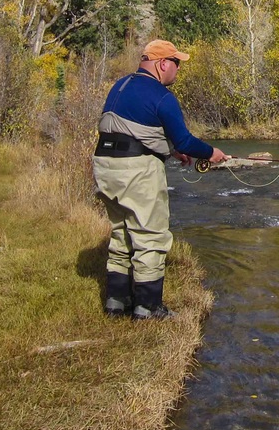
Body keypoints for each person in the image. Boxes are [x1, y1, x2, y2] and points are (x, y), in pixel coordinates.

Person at [92, 39, 229, 320]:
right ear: (163, 64)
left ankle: (116, 302)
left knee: (121, 232)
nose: (178, 70)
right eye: (177, 64)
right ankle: (148, 307)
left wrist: (171, 151)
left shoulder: (120, 86)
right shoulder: (163, 96)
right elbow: (186, 139)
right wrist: (211, 152)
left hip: (105, 165)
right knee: (150, 236)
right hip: (136, 169)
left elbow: (130, 127)